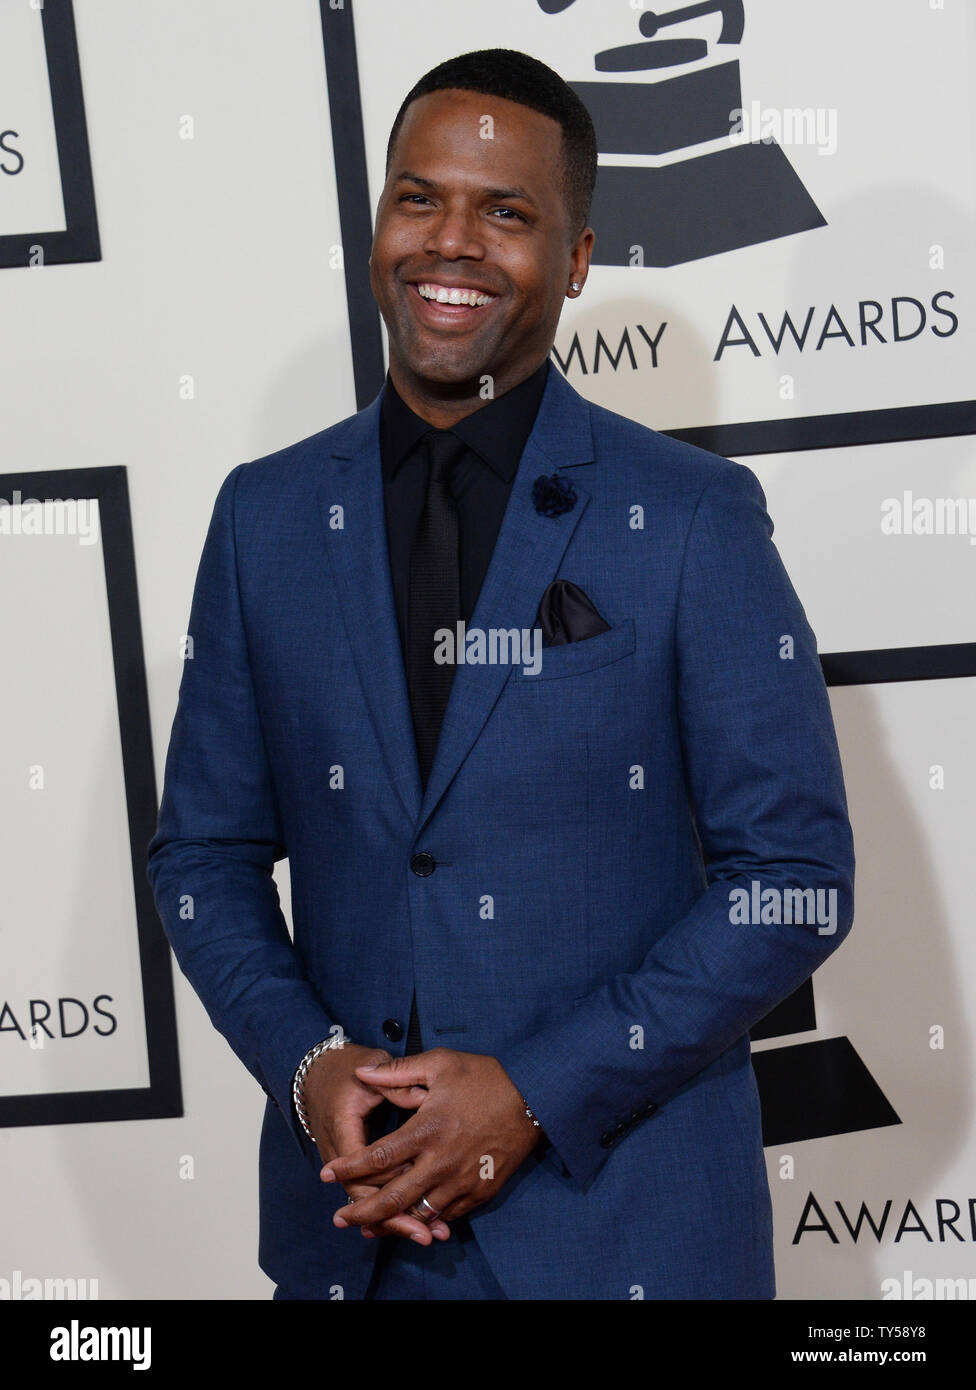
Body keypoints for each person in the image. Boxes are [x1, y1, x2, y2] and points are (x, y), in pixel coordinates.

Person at [147, 48, 855, 1301]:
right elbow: (202, 856)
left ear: (575, 259)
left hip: (627, 1238)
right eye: (418, 198)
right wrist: (312, 1066)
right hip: (352, 1244)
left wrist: (534, 1092)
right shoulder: (262, 518)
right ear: (376, 226)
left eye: (505, 212)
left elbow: (793, 879)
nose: (451, 242)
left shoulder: (691, 517)